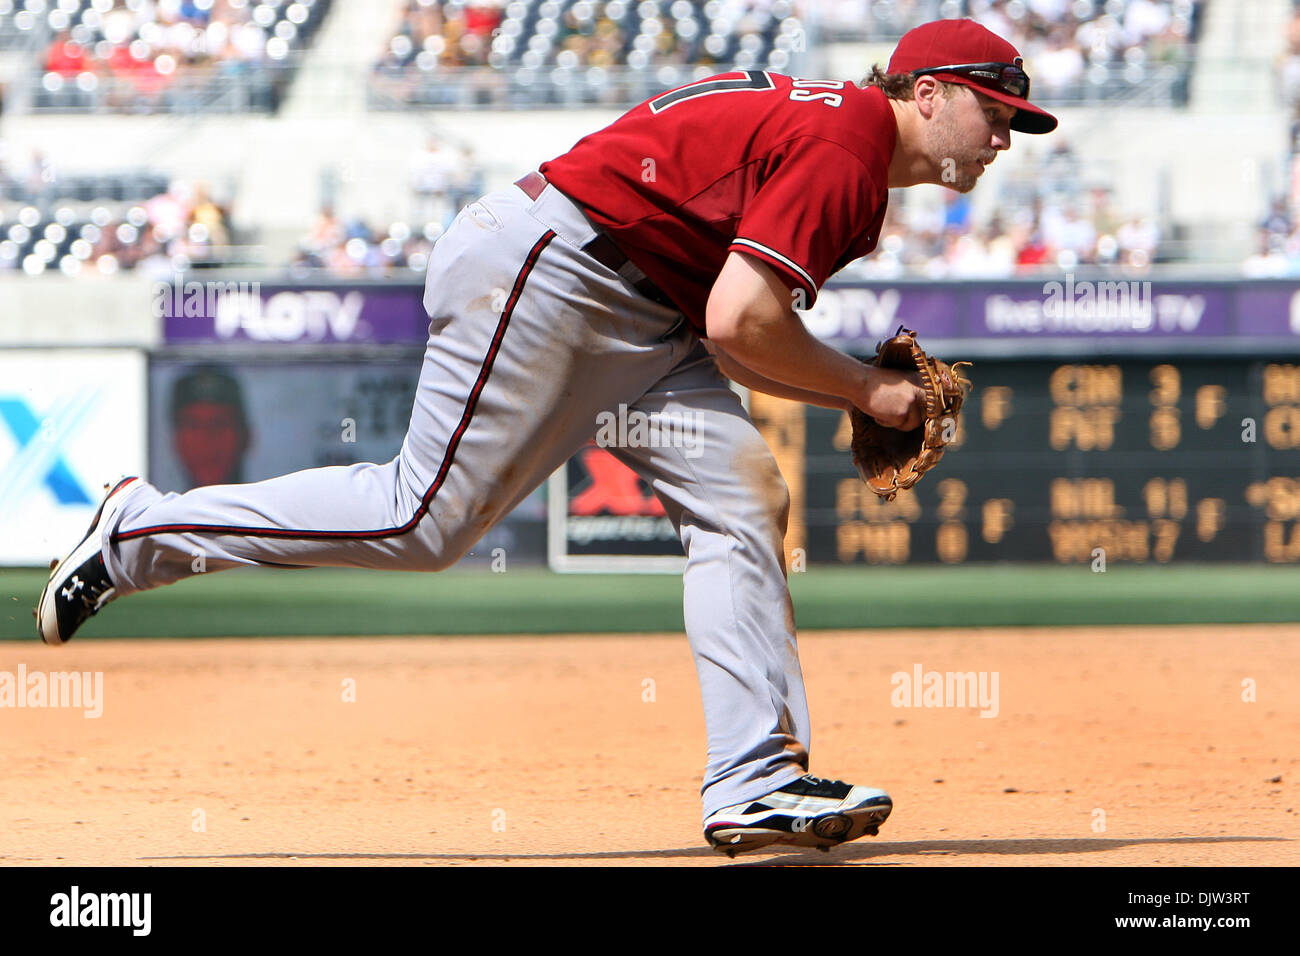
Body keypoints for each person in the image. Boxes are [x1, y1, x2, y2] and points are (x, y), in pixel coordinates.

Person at [37, 18, 1056, 857]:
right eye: (994, 110)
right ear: (926, 91)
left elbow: (733, 331)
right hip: (559, 272)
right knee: (421, 521)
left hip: (646, 308)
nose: (1003, 138)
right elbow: (742, 324)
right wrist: (867, 396)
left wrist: (845, 388)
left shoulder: (837, 140)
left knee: (743, 493)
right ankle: (139, 531)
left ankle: (754, 780)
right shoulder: (845, 149)